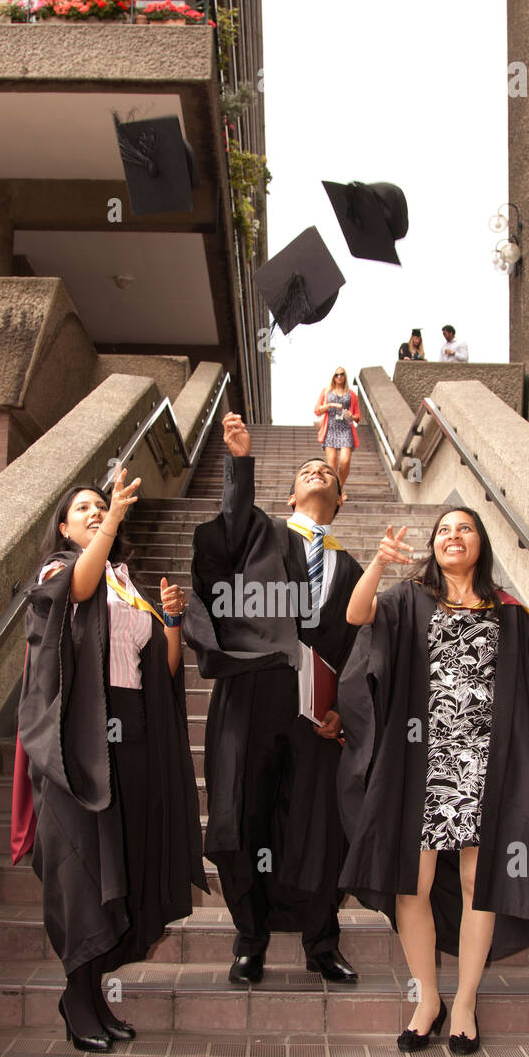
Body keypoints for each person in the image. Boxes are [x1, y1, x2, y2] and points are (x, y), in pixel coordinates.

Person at [338, 506, 529, 1056]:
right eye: (442, 530)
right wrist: (378, 564)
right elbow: (355, 614)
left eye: (464, 528)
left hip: (488, 763)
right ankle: (428, 999)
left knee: (474, 883)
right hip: (423, 759)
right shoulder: (410, 598)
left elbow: (525, 699)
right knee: (413, 882)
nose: (452, 536)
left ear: (480, 543)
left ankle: (464, 1001)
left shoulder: (509, 612)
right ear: (432, 546)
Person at [13, 466, 207, 1050]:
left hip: (133, 740)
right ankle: (77, 999)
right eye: (84, 510)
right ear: (66, 530)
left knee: (120, 864)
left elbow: (164, 671)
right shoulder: (61, 571)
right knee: (81, 869)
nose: (95, 512)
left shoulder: (128, 584)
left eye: (103, 505)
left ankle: (94, 997)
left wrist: (171, 619)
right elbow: (77, 590)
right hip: (80, 746)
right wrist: (116, 517)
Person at [184, 414, 364, 986]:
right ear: (289, 494)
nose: (316, 471)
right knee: (240, 812)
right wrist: (239, 464)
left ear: (339, 498)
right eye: (306, 470)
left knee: (318, 823)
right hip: (252, 692)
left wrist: (346, 712)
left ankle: (321, 940)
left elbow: (360, 650)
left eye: (326, 473)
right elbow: (229, 530)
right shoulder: (262, 535)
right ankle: (249, 939)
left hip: (316, 712)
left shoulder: (355, 569)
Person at [314, 364, 360, 489]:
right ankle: (335, 490)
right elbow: (317, 410)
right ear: (333, 377)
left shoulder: (351, 394)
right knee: (332, 462)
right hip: (330, 429)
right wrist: (330, 405)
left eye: (342, 374)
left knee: (345, 461)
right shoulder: (326, 392)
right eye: (336, 375)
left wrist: (351, 415)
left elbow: (357, 417)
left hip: (345, 429)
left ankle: (339, 486)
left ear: (345, 376)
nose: (339, 377)